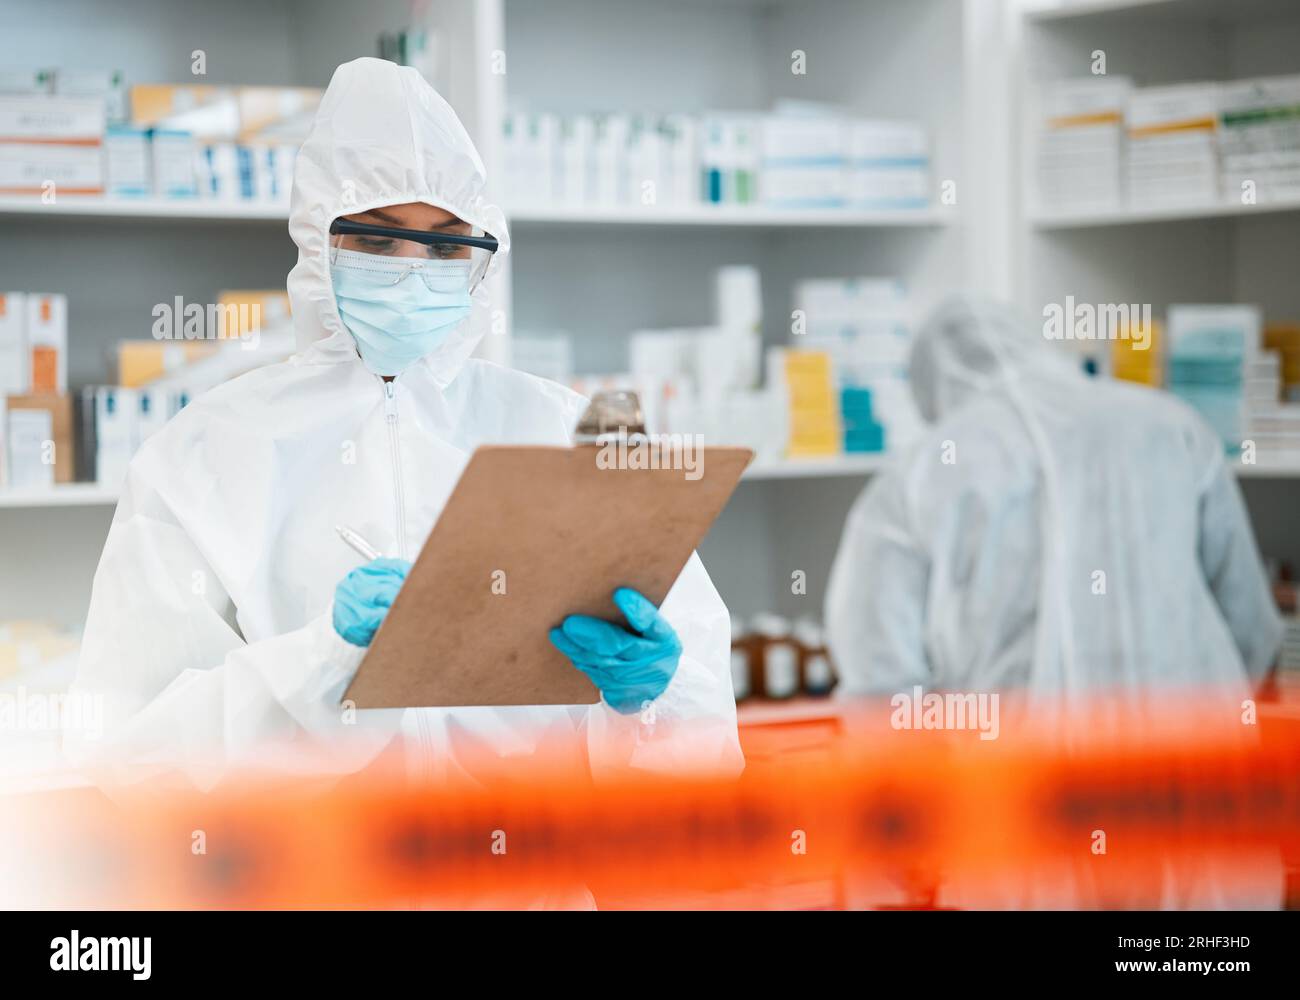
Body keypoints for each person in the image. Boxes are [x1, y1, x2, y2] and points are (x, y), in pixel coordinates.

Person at [66, 58, 743, 792]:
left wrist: (650, 703)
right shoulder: (204, 454)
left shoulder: (565, 431)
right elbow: (131, 758)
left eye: (448, 245)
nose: (414, 272)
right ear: (319, 240)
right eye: (379, 240)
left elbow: (705, 761)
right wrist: (325, 660)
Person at [825, 295, 1284, 908]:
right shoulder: (1172, 426)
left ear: (933, 388)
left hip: (1024, 819)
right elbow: (1252, 630)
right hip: (1199, 797)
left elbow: (881, 693)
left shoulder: (923, 472)